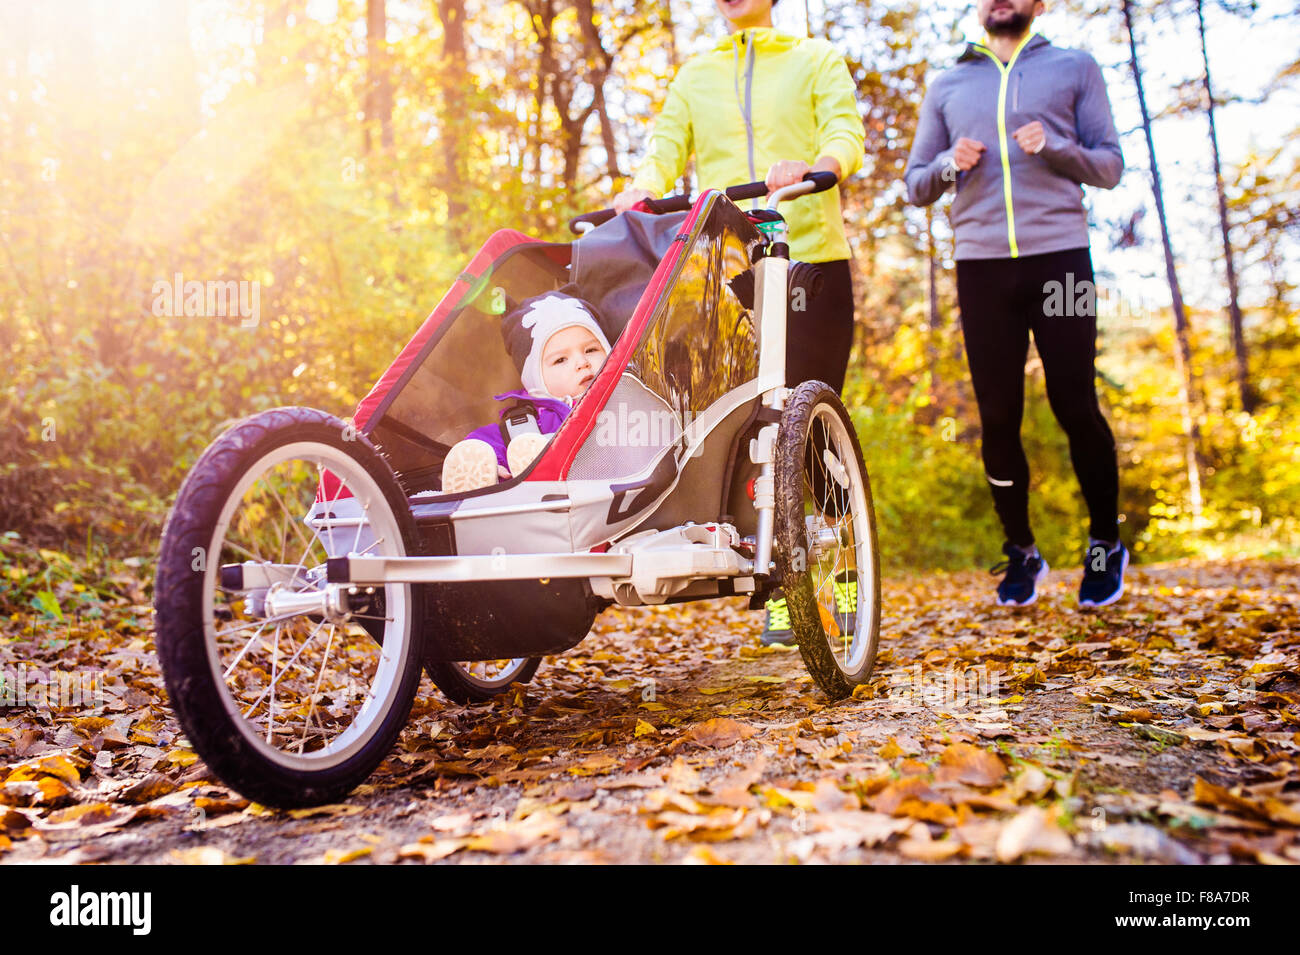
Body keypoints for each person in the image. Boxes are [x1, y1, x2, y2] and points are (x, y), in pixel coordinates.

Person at [615, 0, 865, 644]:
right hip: (732, 272)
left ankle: (848, 579)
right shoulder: (696, 74)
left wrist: (818, 169)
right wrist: (639, 190)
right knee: (752, 427)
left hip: (810, 262)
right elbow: (666, 149)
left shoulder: (814, 58)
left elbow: (844, 133)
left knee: (808, 431)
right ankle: (782, 589)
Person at [904, 0, 1128, 607]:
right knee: (998, 416)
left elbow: (1110, 166)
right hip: (981, 268)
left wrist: (1055, 146)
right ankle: (1021, 552)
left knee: (1074, 402)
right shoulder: (949, 84)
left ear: (1039, 4)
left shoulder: (1074, 67)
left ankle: (1105, 544)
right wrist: (952, 163)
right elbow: (916, 184)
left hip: (1061, 259)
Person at [440, 291, 610, 493]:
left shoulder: (627, 398)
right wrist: (486, 462)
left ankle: (548, 458)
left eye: (591, 350)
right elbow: (487, 441)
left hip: (607, 484)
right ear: (535, 378)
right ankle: (534, 465)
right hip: (542, 504)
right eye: (560, 360)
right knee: (516, 441)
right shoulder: (529, 421)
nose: (583, 363)